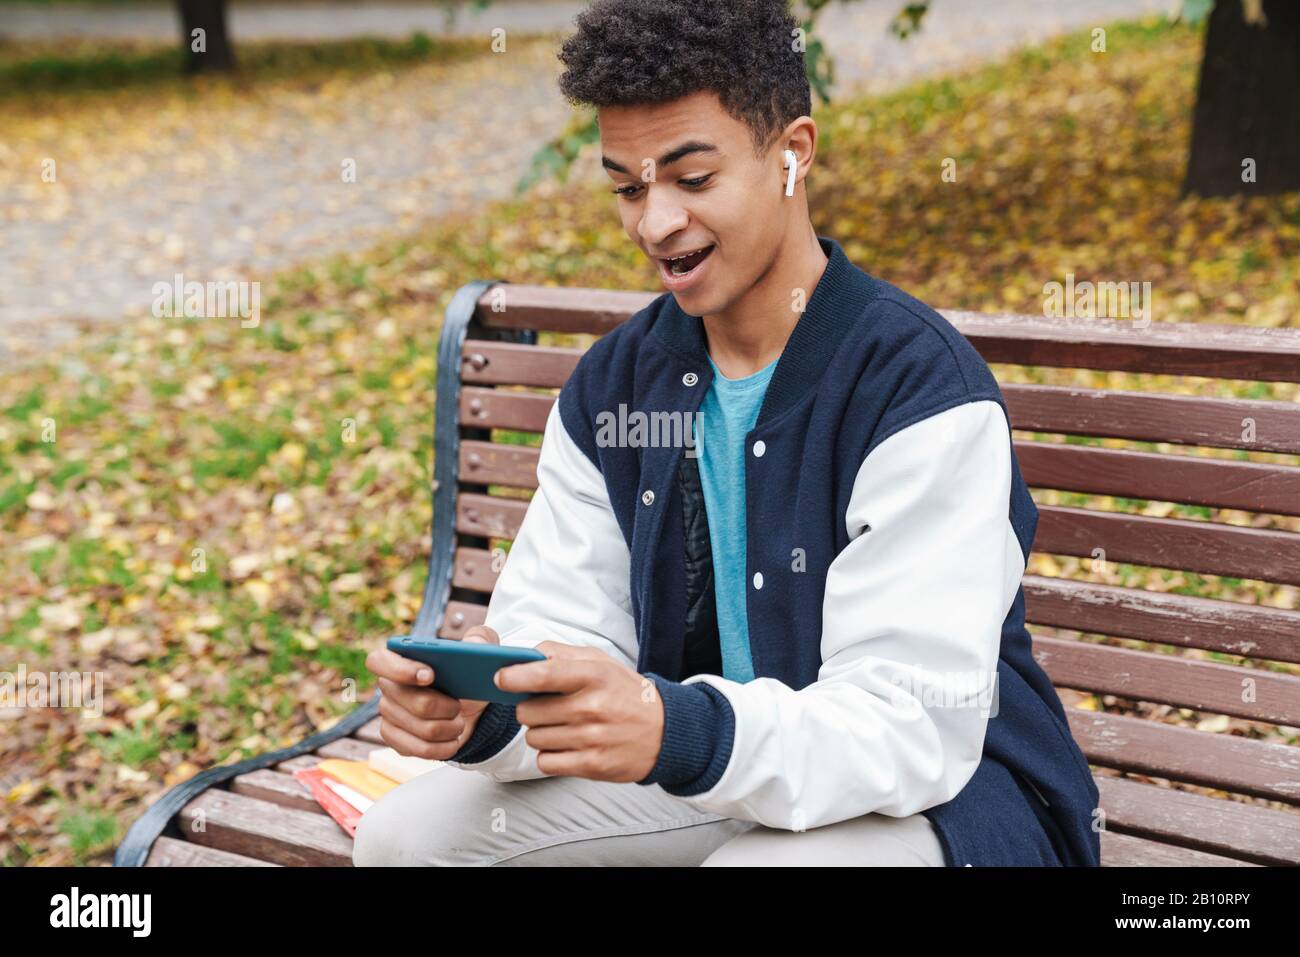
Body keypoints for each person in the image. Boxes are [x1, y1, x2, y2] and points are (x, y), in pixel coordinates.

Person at [353, 0, 1101, 867]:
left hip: (948, 801)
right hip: (725, 779)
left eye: (692, 179)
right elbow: (568, 649)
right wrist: (485, 711)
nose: (654, 222)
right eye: (627, 187)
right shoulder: (616, 387)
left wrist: (678, 728)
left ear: (793, 153)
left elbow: (910, 727)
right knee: (410, 836)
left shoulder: (916, 385)